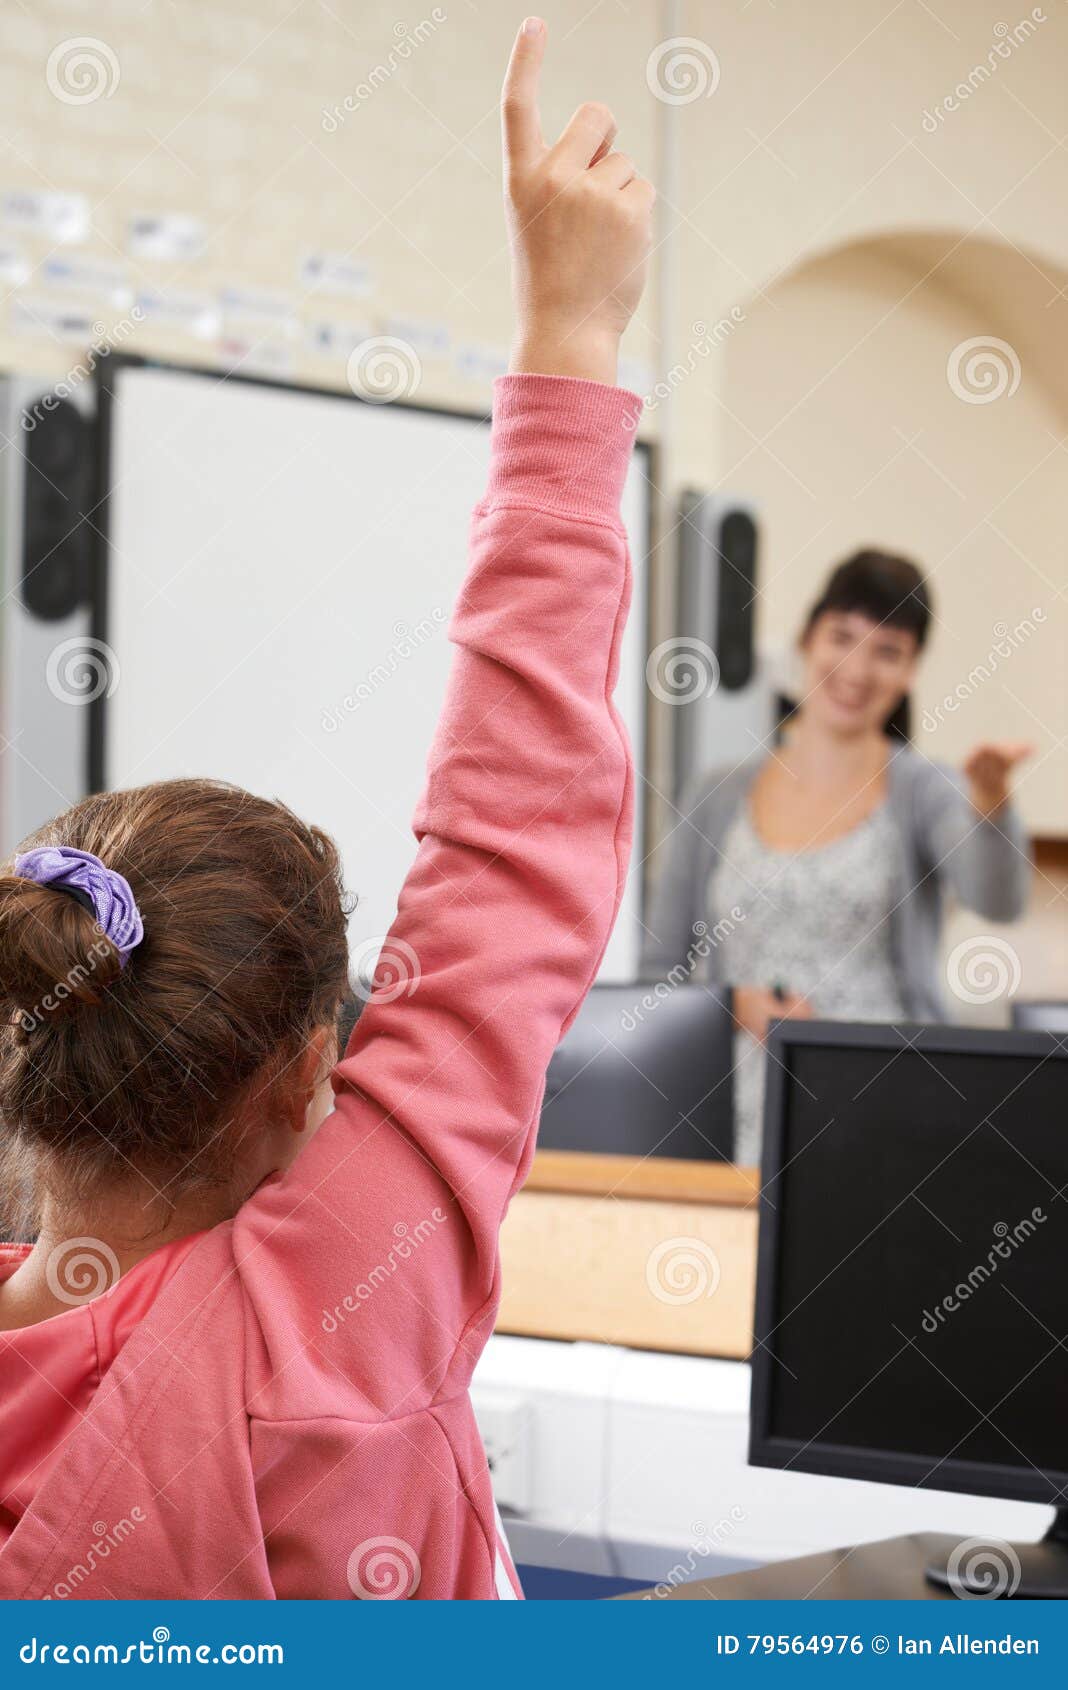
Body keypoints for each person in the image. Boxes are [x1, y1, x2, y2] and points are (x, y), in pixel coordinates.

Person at [0, 19, 654, 1599]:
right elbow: (512, 841)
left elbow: (512, 858)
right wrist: (571, 330)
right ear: (312, 1068)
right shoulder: (343, 1302)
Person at [642, 550, 1032, 1167]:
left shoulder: (925, 792)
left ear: (911, 672)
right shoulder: (715, 794)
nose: (857, 668)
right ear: (806, 640)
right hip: (733, 1113)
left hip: (885, 1107)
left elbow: (1000, 900)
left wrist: (990, 804)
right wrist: (730, 1004)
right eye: (842, 637)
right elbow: (659, 967)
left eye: (888, 651)